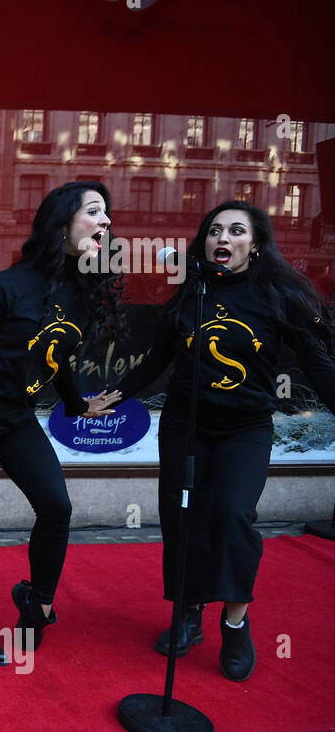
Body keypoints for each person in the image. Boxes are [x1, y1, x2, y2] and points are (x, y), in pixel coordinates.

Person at [113, 201, 335, 681]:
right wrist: (109, 398)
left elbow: (316, 363)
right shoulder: (192, 293)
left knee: (234, 515)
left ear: (254, 244)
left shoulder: (277, 295)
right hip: (185, 423)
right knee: (182, 517)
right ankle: (188, 609)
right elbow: (157, 361)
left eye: (236, 230)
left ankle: (234, 622)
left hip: (245, 427)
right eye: (215, 231)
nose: (223, 238)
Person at [0, 182, 126, 661]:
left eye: (108, 215)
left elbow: (56, 359)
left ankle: (37, 603)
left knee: (56, 508)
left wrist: (78, 406)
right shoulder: (7, 285)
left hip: (18, 417)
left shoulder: (79, 293)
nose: (106, 223)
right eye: (95, 212)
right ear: (62, 223)